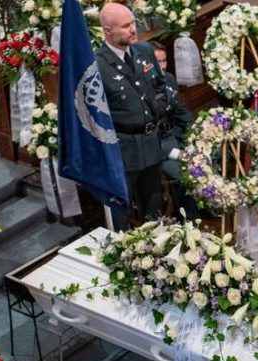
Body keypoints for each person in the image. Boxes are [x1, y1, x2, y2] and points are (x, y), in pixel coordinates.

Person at [96, 3, 168, 230]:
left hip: (151, 143)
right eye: (125, 26)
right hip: (123, 149)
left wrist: (160, 109)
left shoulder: (145, 51)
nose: (133, 30)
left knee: (154, 209)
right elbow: (96, 113)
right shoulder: (97, 64)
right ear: (108, 31)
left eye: (133, 23)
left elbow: (159, 86)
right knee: (121, 213)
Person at [150, 40, 198, 221]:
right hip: (159, 146)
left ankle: (209, 205)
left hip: (175, 133)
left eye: (164, 61)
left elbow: (180, 111)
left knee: (208, 154)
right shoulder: (143, 88)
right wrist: (176, 153)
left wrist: (197, 133)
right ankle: (191, 221)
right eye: (157, 62)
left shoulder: (168, 79)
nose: (162, 66)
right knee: (182, 174)